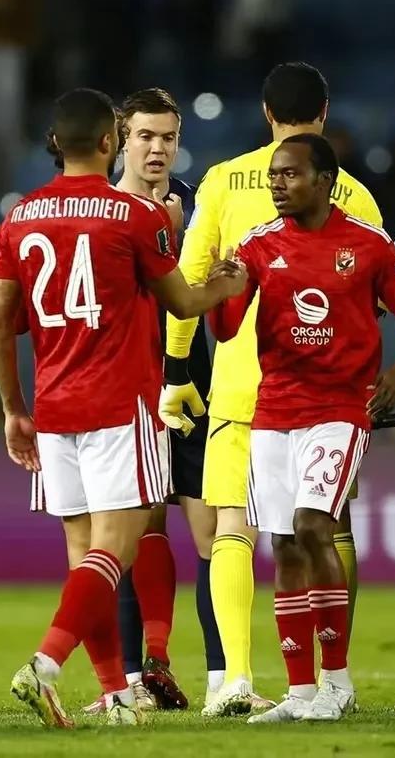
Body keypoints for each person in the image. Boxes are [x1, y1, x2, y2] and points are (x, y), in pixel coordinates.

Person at [0, 87, 246, 728]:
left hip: (53, 407)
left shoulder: (18, 217)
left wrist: (13, 408)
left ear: (55, 142)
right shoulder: (134, 216)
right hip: (120, 405)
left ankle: (116, 694)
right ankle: (46, 662)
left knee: (86, 559)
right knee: (115, 554)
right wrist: (226, 284)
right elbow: (182, 302)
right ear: (112, 141)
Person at [161, 62, 383, 717]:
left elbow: (190, 278)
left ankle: (232, 677)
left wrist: (177, 369)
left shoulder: (224, 180)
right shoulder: (351, 192)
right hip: (329, 390)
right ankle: (334, 678)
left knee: (233, 525)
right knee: (328, 528)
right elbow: (375, 295)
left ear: (265, 113)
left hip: (241, 382)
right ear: (324, 114)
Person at [208, 134, 395, 723]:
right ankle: (301, 692)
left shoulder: (369, 244)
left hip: (338, 410)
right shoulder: (258, 245)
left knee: (313, 527)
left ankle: (337, 682)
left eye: (290, 174)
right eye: (274, 174)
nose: (277, 184)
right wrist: (220, 291)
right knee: (282, 543)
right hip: (273, 410)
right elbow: (227, 329)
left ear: (325, 181)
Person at [80, 88, 223, 716]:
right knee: (134, 531)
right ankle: (135, 677)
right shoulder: (100, 211)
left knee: (212, 530)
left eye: (168, 137)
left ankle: (224, 680)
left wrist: (181, 237)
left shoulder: (197, 206)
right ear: (120, 139)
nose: (158, 148)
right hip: (127, 387)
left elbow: (206, 290)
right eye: (145, 136)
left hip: (192, 385)